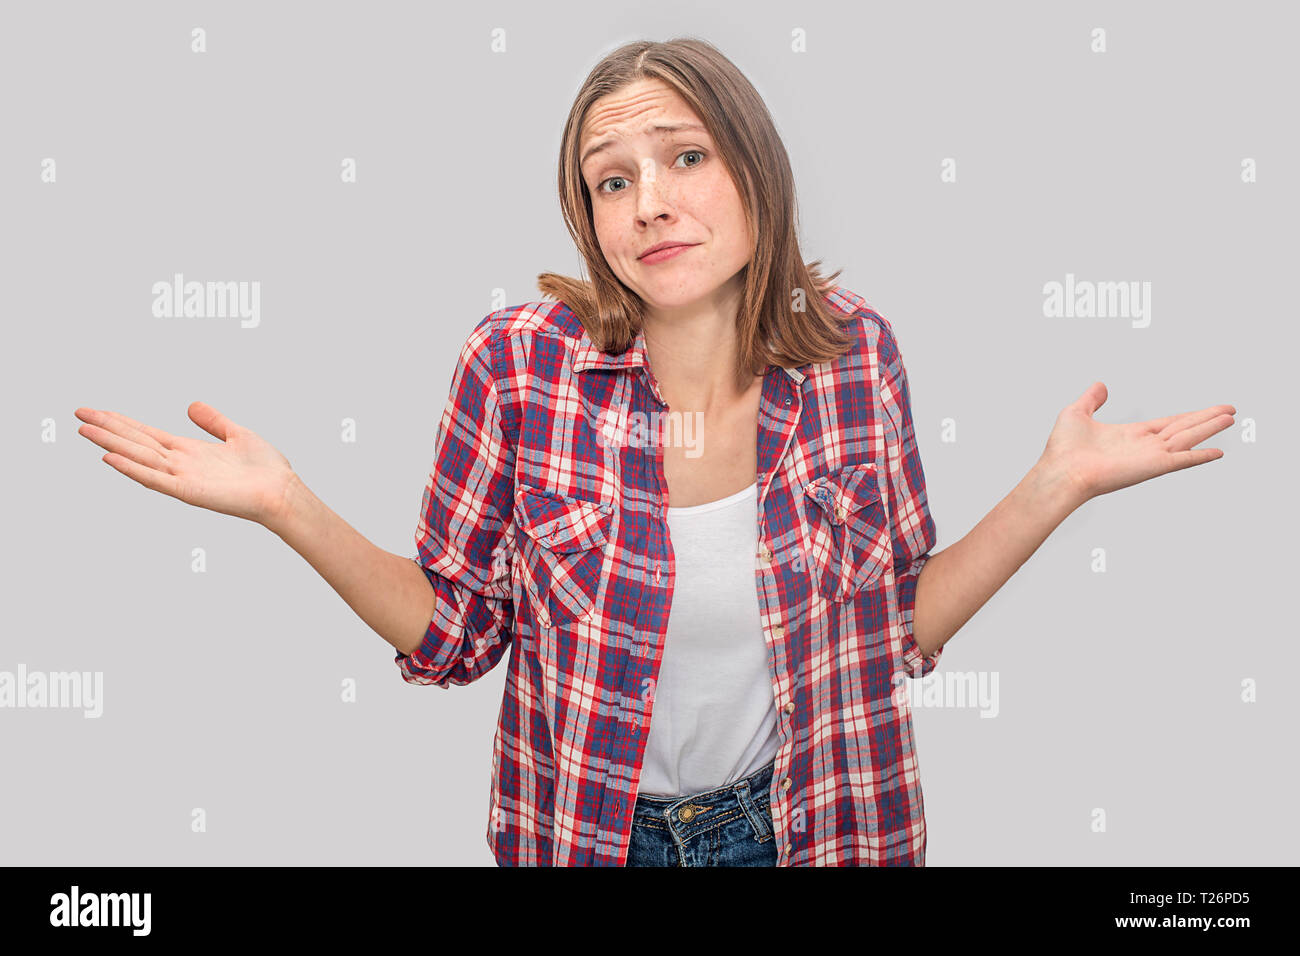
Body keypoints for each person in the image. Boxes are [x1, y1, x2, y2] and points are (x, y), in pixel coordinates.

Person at [74, 37, 1235, 867]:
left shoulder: (851, 355)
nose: (648, 204)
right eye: (612, 179)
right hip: (585, 835)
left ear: (752, 170)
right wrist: (289, 505)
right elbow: (459, 636)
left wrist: (1056, 485)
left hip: (821, 828)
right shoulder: (516, 366)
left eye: (684, 159)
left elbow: (895, 625)